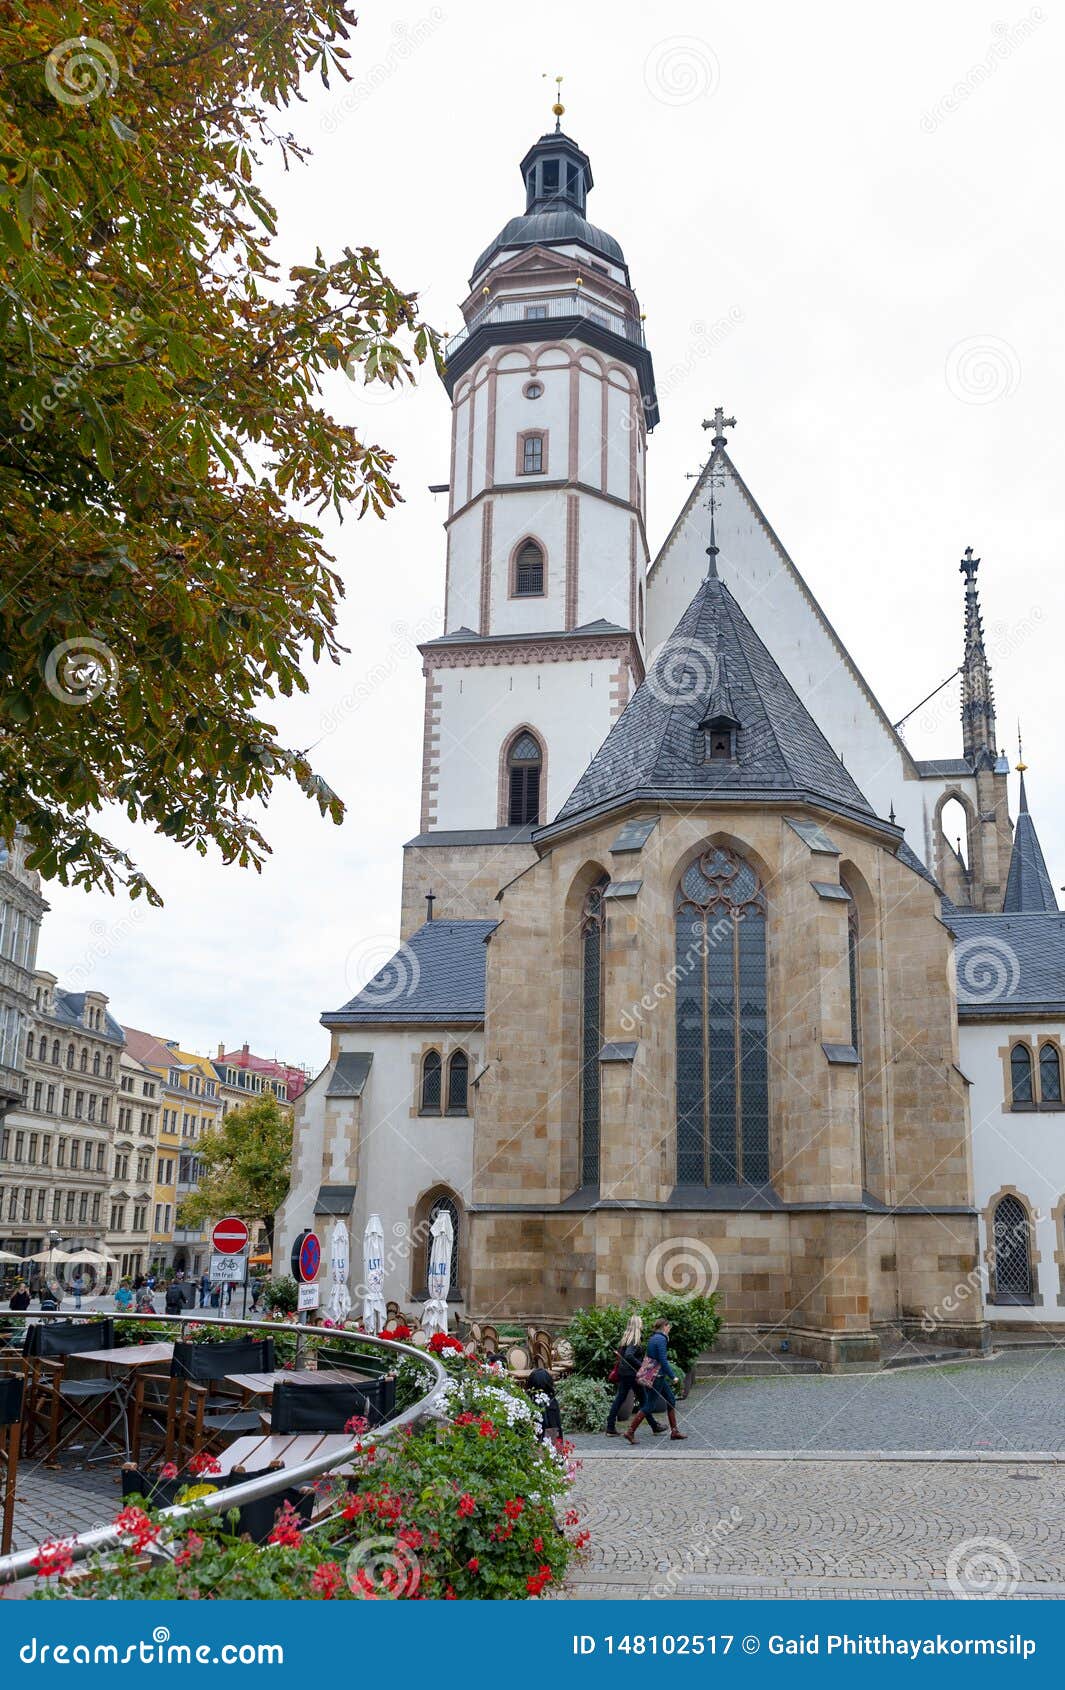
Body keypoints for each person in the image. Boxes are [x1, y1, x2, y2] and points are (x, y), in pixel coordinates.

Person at [625, 1318, 687, 1443]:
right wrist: (673, 1376)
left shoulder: (654, 1338)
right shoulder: (661, 1339)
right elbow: (663, 1360)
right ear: (664, 1326)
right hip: (657, 1376)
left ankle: (674, 1432)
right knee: (649, 1405)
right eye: (669, 1327)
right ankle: (630, 1432)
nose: (669, 1329)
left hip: (657, 1376)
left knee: (670, 1400)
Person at [606, 1315, 663, 1438]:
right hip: (631, 1374)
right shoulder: (634, 1340)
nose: (643, 1324)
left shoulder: (626, 1338)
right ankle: (654, 1426)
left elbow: (623, 1355)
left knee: (622, 1398)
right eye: (641, 1322)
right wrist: (642, 1366)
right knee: (643, 1400)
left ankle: (610, 1427)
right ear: (637, 1324)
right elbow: (629, 1355)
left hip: (624, 1372)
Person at [525, 1363, 564, 1451]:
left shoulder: (531, 1402)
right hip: (552, 1441)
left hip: (537, 1444)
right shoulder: (552, 1401)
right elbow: (557, 1426)